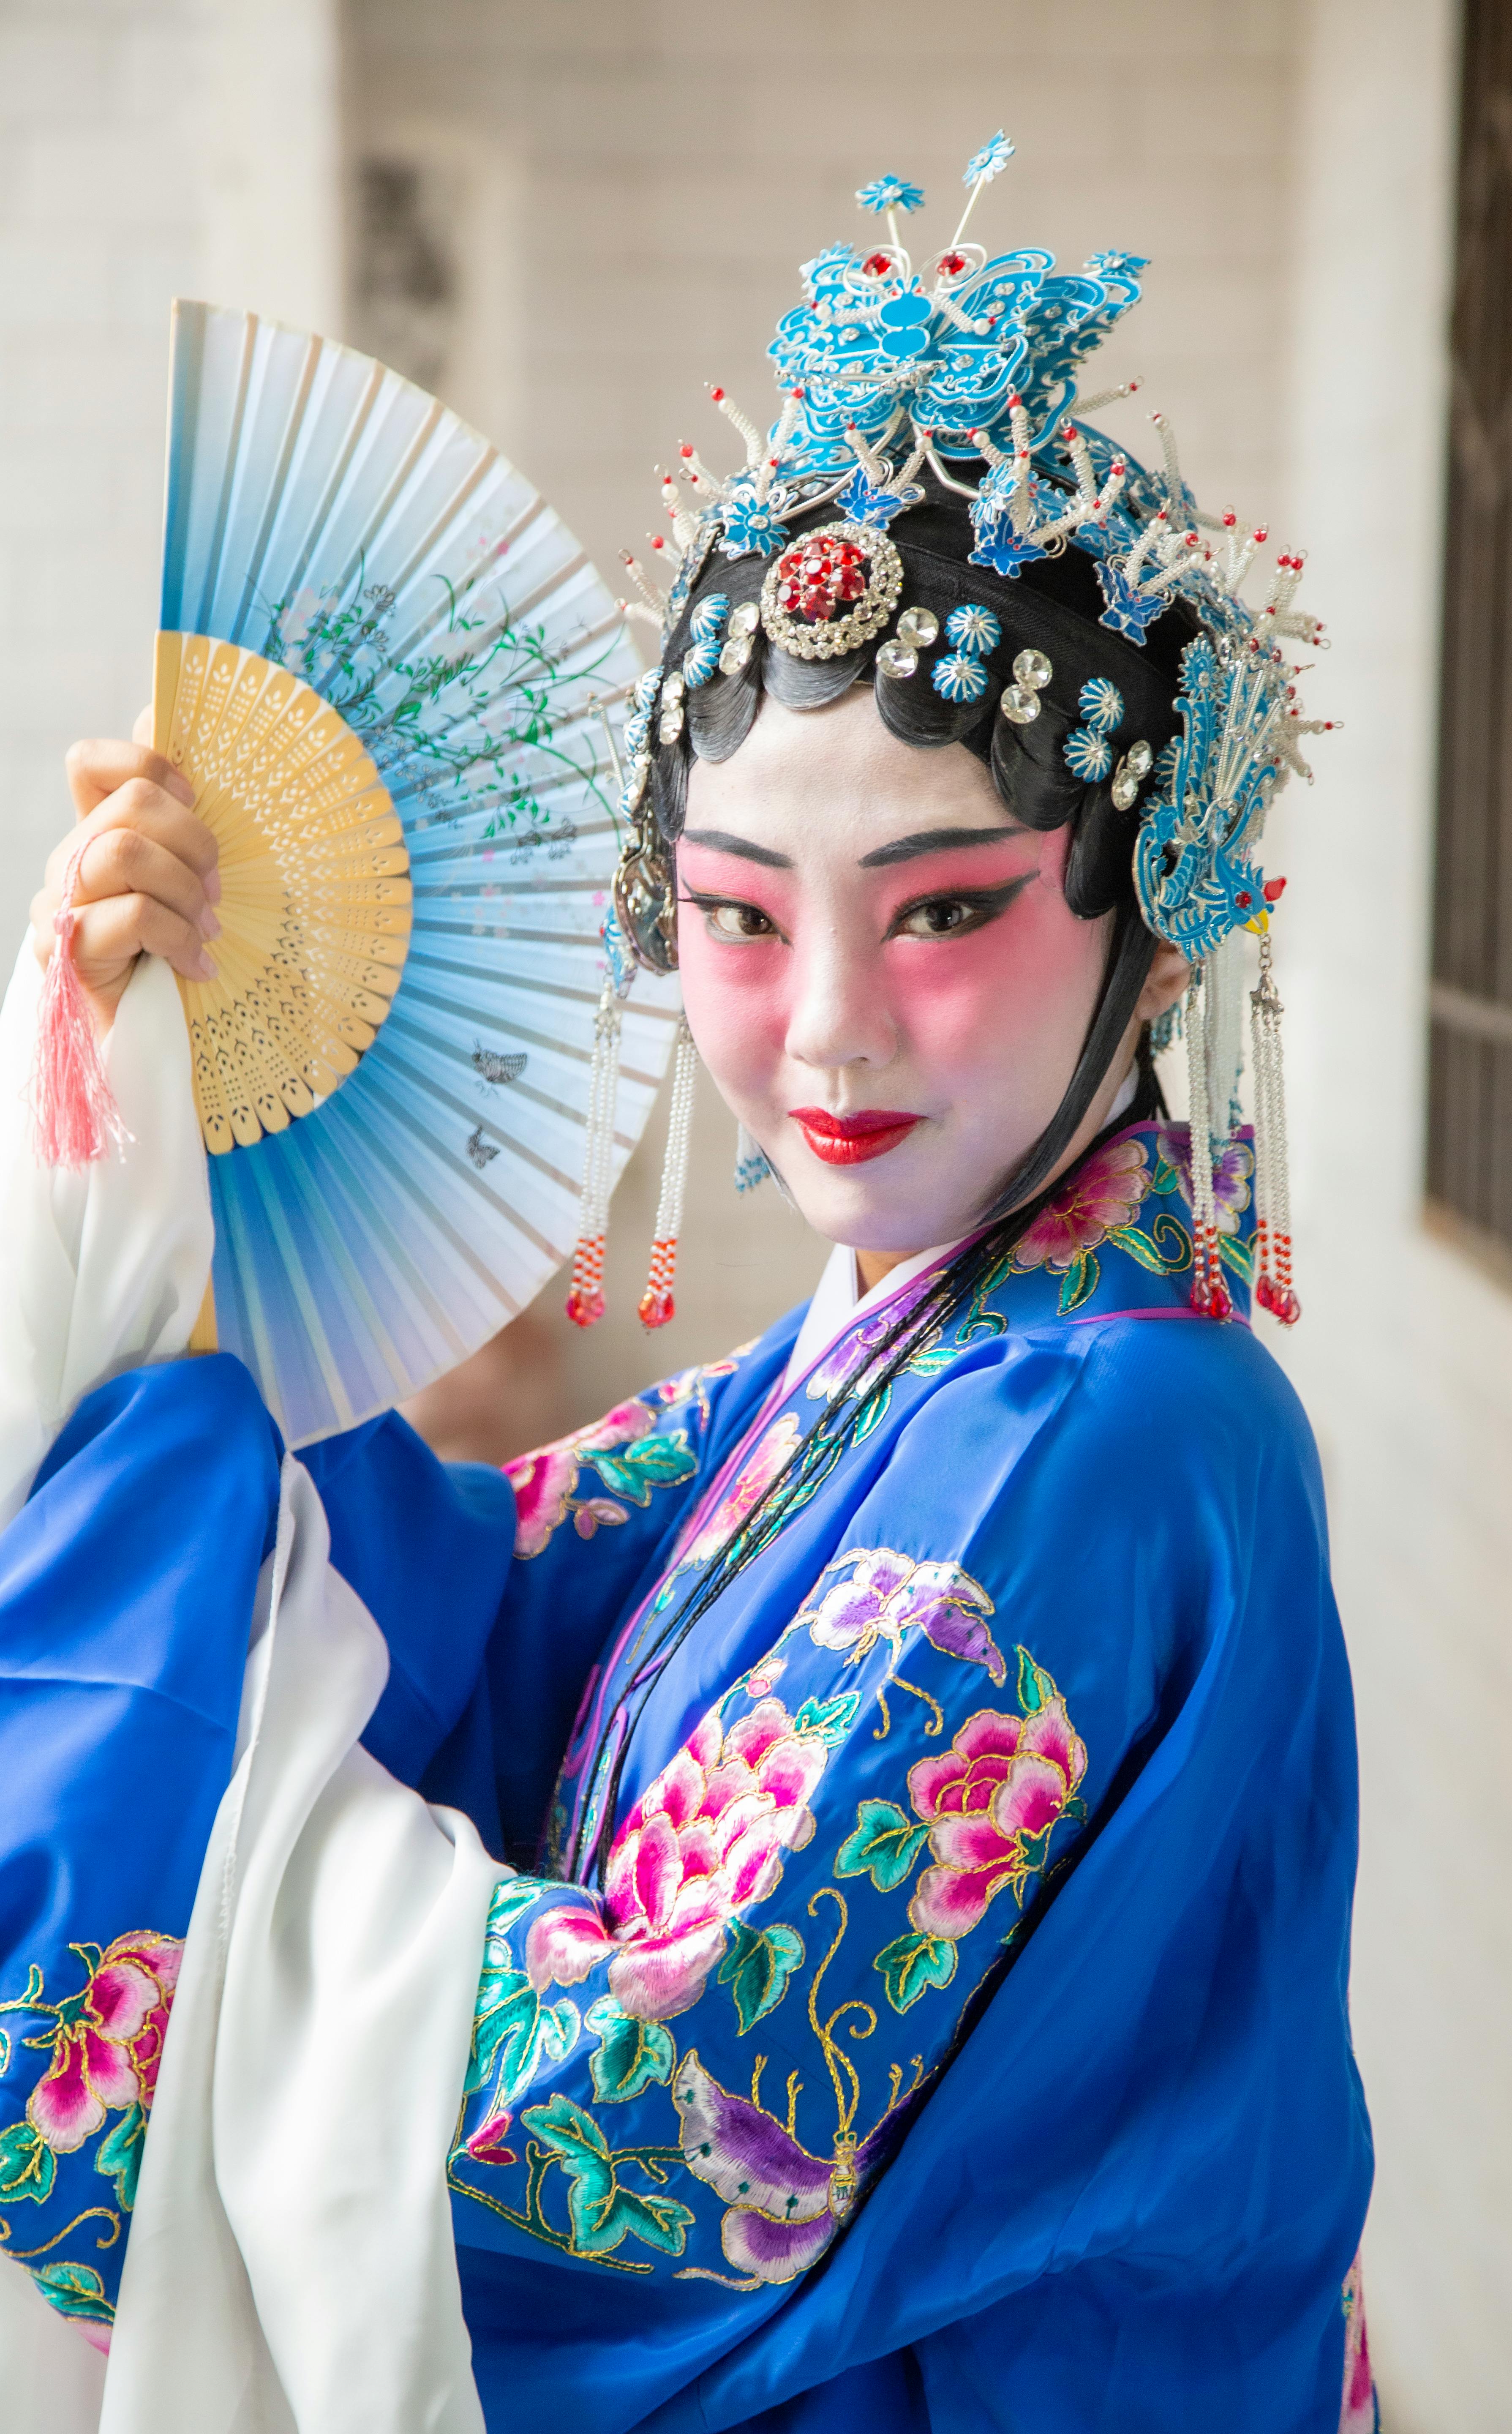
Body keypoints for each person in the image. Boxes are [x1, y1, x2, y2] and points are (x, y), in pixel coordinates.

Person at [0, 145, 1376, 2433]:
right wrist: (200, 1125)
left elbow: (662, 2131)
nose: (825, 1027)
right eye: (741, 915)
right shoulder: (903, 1343)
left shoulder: (1111, 1431)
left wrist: (129, 1575)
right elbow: (514, 1603)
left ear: (1154, 924)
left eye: (942, 912)